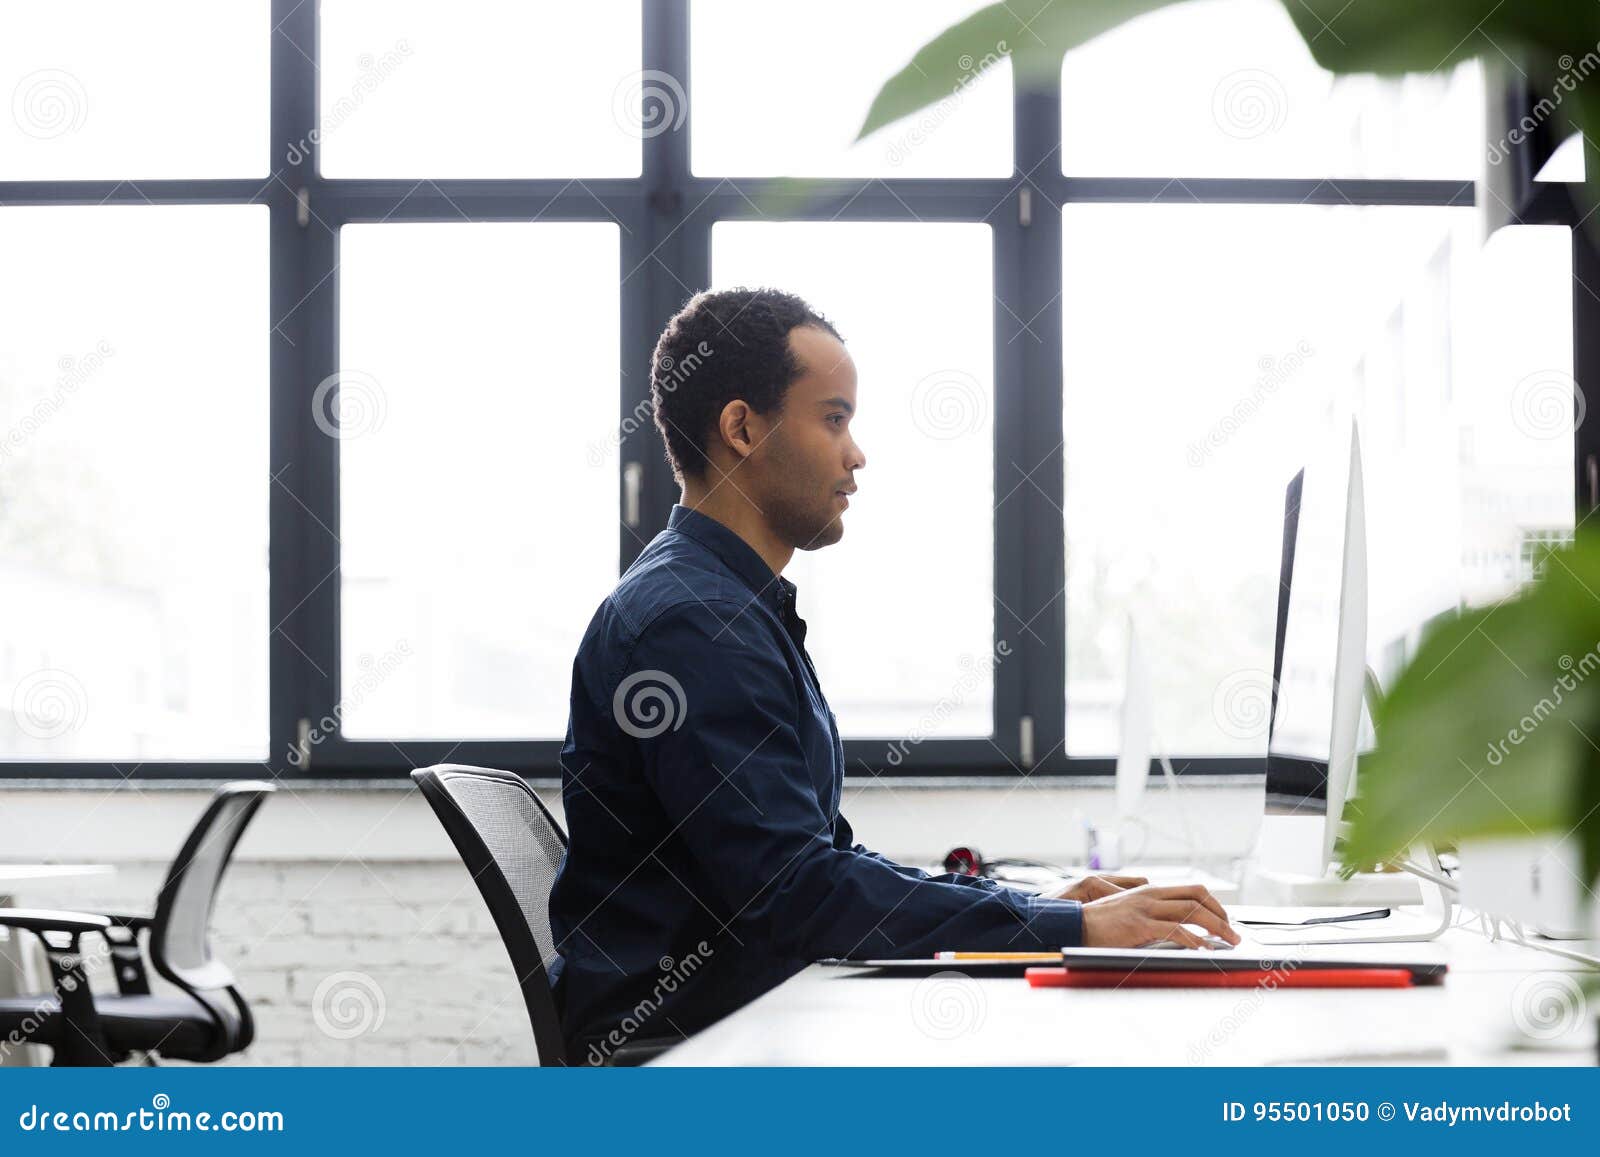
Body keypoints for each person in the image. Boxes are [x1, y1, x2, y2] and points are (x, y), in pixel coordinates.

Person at [548, 287, 1237, 1063]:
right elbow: (800, 897)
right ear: (742, 427)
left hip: (737, 1024)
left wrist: (1029, 908)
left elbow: (818, 864)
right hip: (685, 1056)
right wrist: (1064, 929)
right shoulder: (693, 624)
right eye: (834, 418)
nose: (856, 453)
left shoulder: (725, 606)